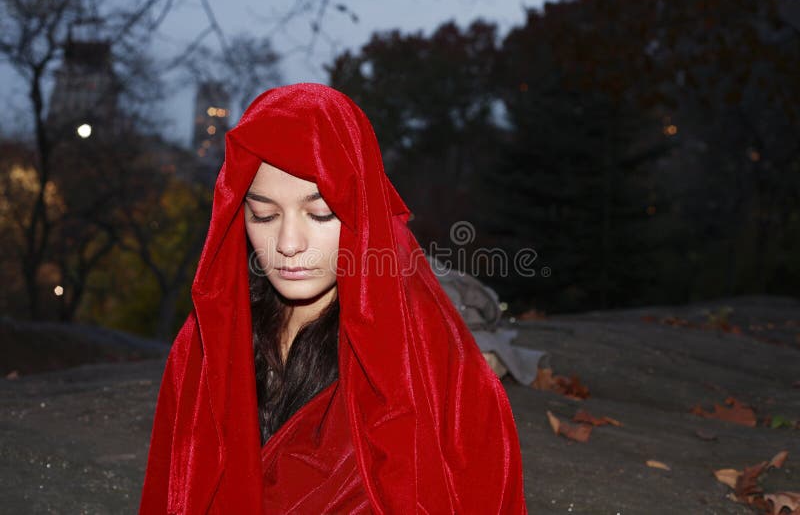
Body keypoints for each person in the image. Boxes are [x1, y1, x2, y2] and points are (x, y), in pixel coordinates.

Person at [139, 83, 527, 513]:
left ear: (362, 210)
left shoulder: (425, 358)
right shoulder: (204, 346)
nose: (287, 243)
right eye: (263, 214)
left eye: (320, 213)